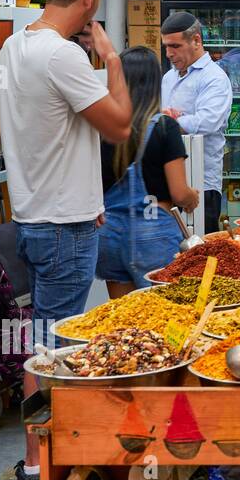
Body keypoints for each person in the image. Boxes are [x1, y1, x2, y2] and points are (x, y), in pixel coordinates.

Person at [0, 0, 132, 480]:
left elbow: (49, 133)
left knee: (44, 338)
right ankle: (39, 465)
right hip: (63, 225)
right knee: (53, 347)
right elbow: (120, 126)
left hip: (37, 214)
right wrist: (113, 61)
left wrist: (84, 193)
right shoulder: (63, 57)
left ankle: (40, 453)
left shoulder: (14, 45)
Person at [98, 46, 200, 300]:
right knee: (161, 313)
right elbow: (178, 192)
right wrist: (192, 198)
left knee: (125, 317)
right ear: (155, 83)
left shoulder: (104, 127)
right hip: (153, 233)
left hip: (108, 235)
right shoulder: (164, 127)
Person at [160, 11, 231, 233]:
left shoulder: (214, 78)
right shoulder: (168, 77)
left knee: (201, 250)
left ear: (196, 41)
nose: (169, 54)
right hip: (171, 180)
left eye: (175, 46)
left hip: (202, 184)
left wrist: (172, 120)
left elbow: (208, 122)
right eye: (166, 47)